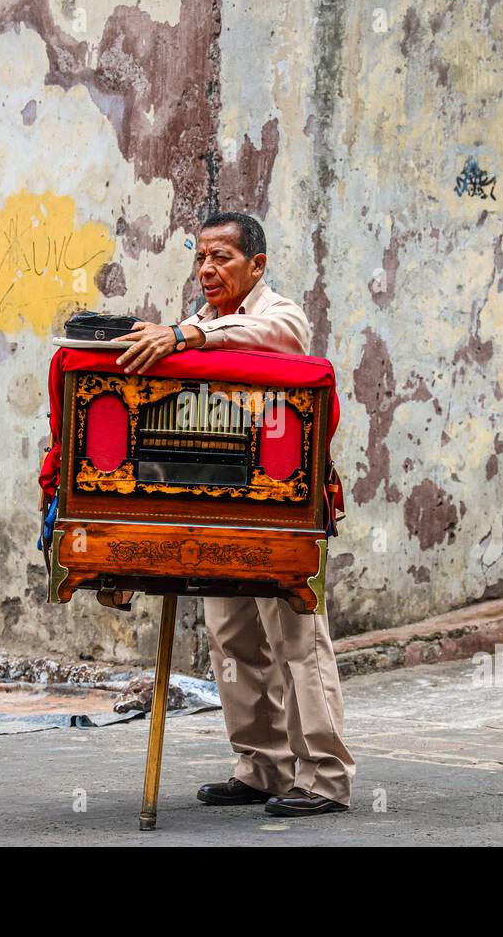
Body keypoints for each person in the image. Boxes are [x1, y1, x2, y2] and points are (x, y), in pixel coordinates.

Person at [112, 211, 355, 816]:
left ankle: (325, 777)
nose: (208, 269)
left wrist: (190, 339)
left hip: (281, 508)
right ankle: (261, 766)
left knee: (297, 639)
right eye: (201, 258)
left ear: (257, 265)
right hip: (214, 507)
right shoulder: (192, 322)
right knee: (232, 639)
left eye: (221, 257)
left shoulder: (282, 314)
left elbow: (274, 344)